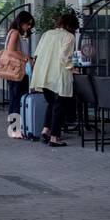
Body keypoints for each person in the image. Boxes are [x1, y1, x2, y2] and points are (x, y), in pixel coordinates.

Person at [29, 11, 79, 147]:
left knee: (51, 104)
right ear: (72, 26)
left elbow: (37, 54)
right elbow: (64, 57)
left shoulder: (47, 34)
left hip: (43, 75)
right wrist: (72, 67)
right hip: (59, 75)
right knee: (60, 107)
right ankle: (54, 137)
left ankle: (45, 131)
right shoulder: (69, 37)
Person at [3, 11, 36, 138]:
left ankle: (15, 128)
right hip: (17, 71)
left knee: (16, 99)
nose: (28, 27)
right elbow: (10, 51)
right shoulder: (15, 33)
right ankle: (14, 129)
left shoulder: (13, 32)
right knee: (16, 99)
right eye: (28, 24)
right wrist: (26, 58)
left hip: (17, 71)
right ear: (22, 22)